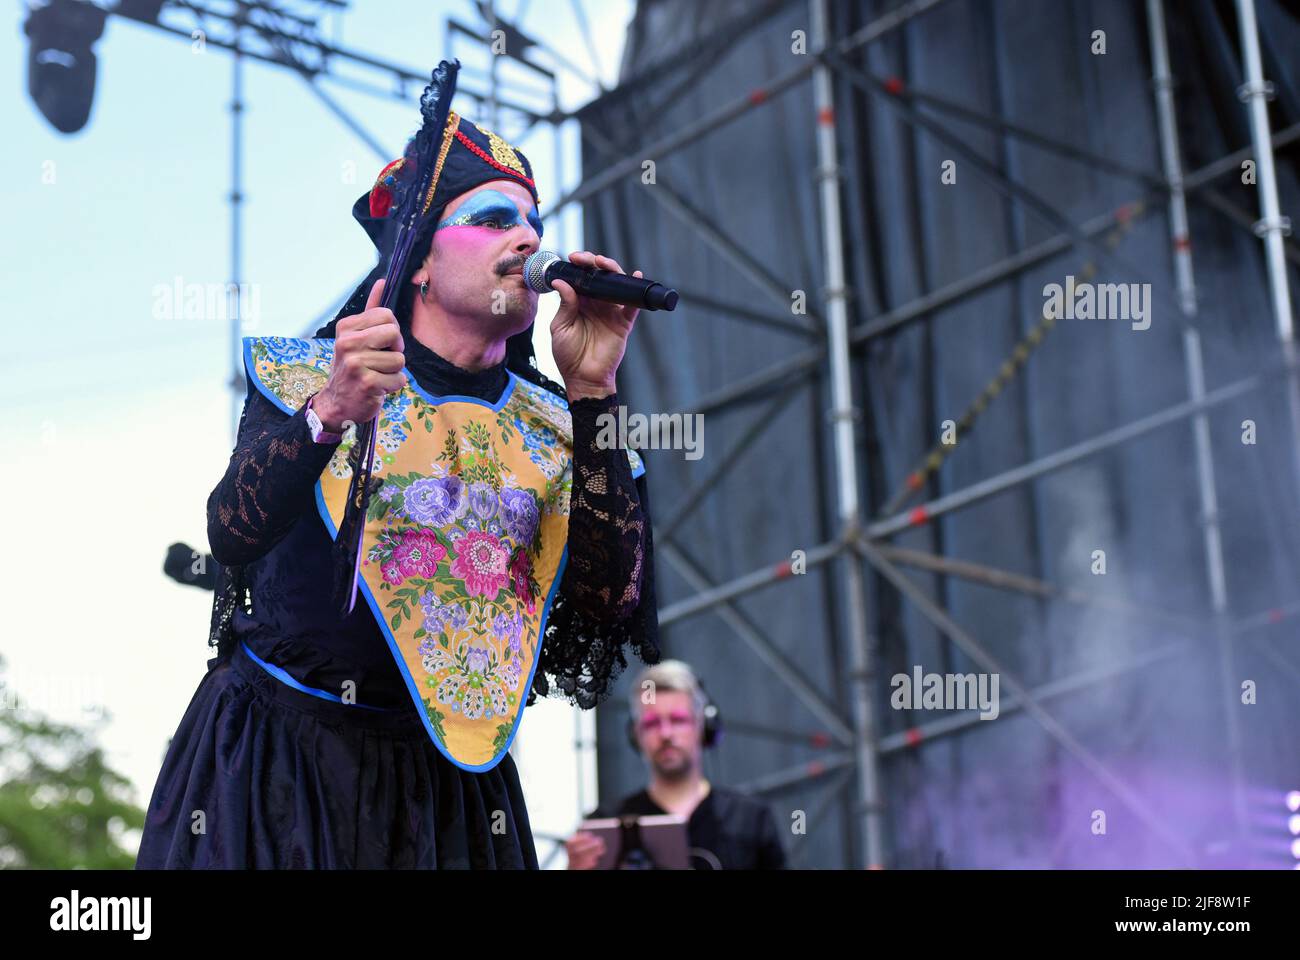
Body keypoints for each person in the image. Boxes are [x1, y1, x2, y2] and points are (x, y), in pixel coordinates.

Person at [136, 106, 659, 869]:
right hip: (280, 771)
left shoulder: (561, 428)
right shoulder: (310, 376)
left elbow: (609, 606)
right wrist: (330, 414)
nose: (529, 240)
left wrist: (594, 387)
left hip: (449, 796)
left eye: (534, 223)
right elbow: (231, 532)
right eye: (492, 218)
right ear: (417, 260)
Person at [566, 660, 785, 870]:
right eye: (652, 723)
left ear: (703, 726)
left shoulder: (751, 819)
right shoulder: (606, 823)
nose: (666, 734)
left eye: (678, 720)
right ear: (636, 735)